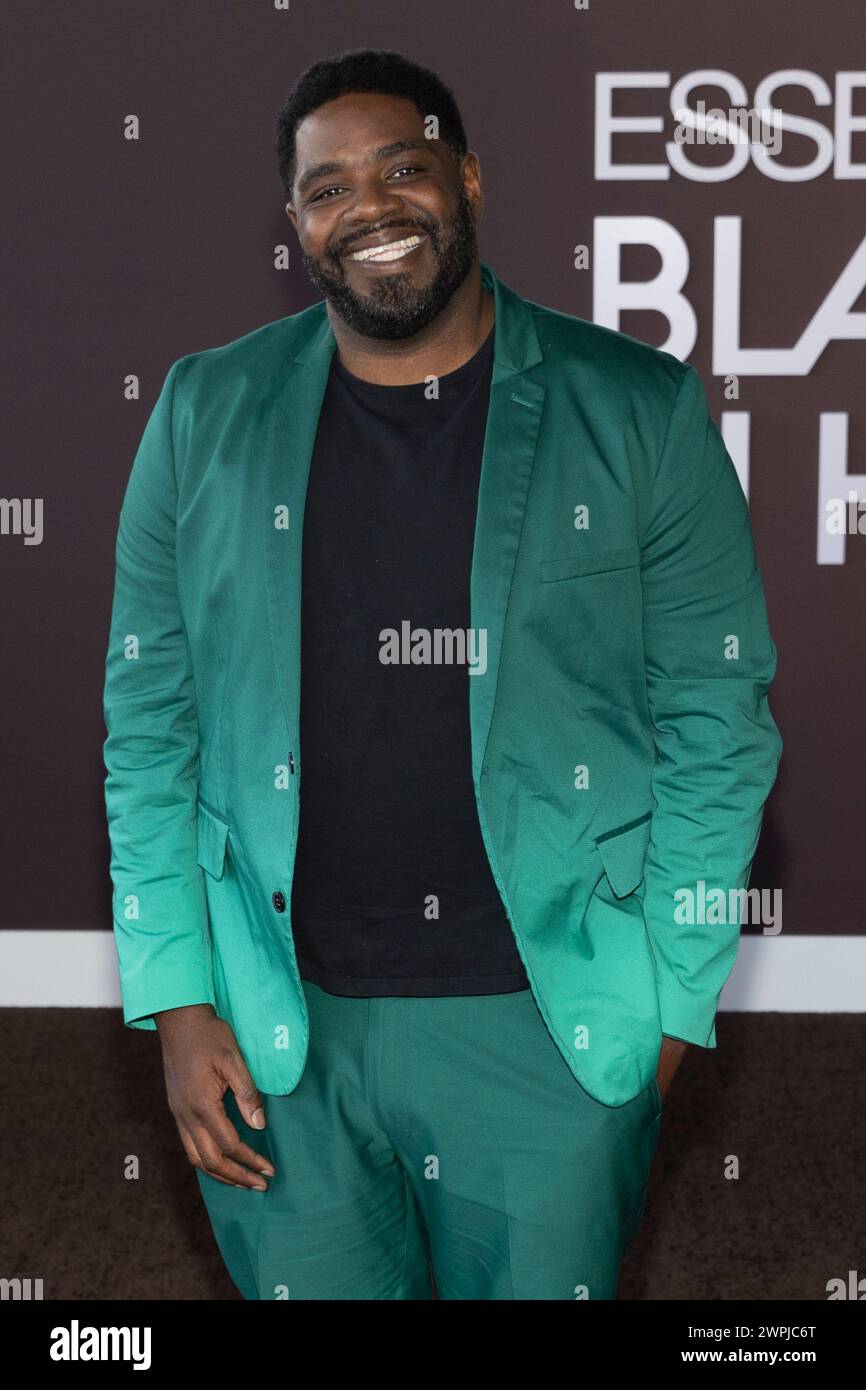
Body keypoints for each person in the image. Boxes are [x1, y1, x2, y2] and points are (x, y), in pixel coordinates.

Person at [102, 48, 782, 1300]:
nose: (367, 207)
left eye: (400, 167)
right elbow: (149, 723)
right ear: (297, 222)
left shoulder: (633, 409)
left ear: (464, 178)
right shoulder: (204, 410)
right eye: (325, 188)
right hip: (273, 1019)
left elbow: (717, 719)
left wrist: (667, 1011)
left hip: (545, 1019)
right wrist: (177, 999)